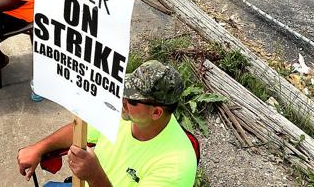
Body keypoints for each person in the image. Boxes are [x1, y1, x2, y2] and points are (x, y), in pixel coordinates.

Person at [17, 60, 198, 186]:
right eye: (124, 91)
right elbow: (82, 129)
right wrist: (39, 148)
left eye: (132, 100)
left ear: (157, 112)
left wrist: (94, 175)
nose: (122, 101)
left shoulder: (176, 166)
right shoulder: (126, 115)